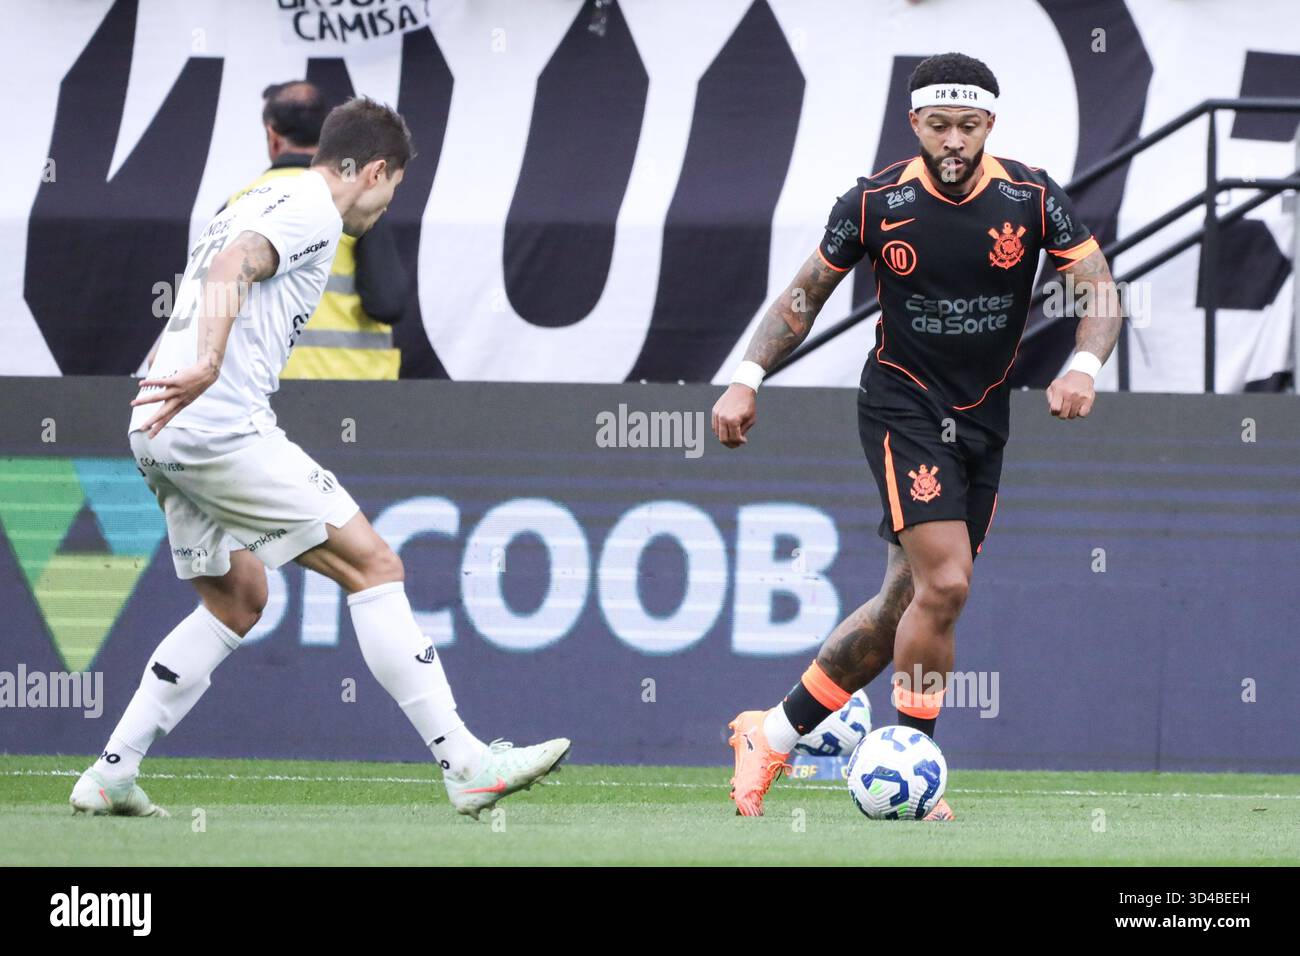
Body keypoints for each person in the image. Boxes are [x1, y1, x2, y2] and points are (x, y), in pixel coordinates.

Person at [72, 97, 568, 821]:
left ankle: (111, 773)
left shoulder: (257, 194)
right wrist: (209, 364)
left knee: (236, 599)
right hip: (212, 422)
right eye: (393, 186)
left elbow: (208, 279)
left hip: (156, 420)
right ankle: (465, 762)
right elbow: (235, 268)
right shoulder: (313, 209)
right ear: (371, 170)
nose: (387, 203)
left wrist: (173, 385)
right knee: (373, 565)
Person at [712, 52, 1123, 818]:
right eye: (940, 126)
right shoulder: (876, 202)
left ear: (989, 125)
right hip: (902, 406)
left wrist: (1086, 365)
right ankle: (917, 769)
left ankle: (769, 734)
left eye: (969, 125)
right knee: (948, 584)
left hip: (983, 418)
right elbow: (803, 296)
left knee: (906, 600)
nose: (955, 141)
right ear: (916, 126)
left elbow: (1098, 289)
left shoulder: (1031, 197)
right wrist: (747, 376)